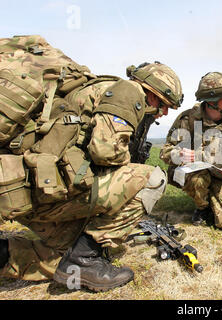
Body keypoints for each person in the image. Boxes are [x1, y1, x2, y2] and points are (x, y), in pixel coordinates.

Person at [0, 61, 183, 292]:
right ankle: (85, 259)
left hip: (25, 191)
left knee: (61, 258)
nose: (164, 112)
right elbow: (105, 152)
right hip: (50, 192)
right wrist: (127, 168)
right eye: (164, 105)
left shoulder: (99, 89)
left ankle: (5, 254)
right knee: (153, 178)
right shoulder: (128, 91)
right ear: (152, 92)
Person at [160, 72, 222, 232]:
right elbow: (165, 152)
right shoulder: (188, 119)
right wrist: (180, 154)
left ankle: (216, 200)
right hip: (196, 174)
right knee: (199, 180)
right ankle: (203, 207)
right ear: (211, 99)